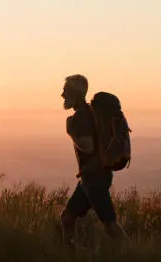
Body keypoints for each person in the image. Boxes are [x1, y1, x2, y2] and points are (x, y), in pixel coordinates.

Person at [58, 74, 127, 245]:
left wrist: (71, 131)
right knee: (67, 217)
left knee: (110, 226)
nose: (62, 95)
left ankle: (134, 253)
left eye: (66, 90)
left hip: (95, 180)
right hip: (89, 179)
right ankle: (69, 255)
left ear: (77, 93)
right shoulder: (89, 113)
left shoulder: (81, 117)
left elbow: (87, 146)